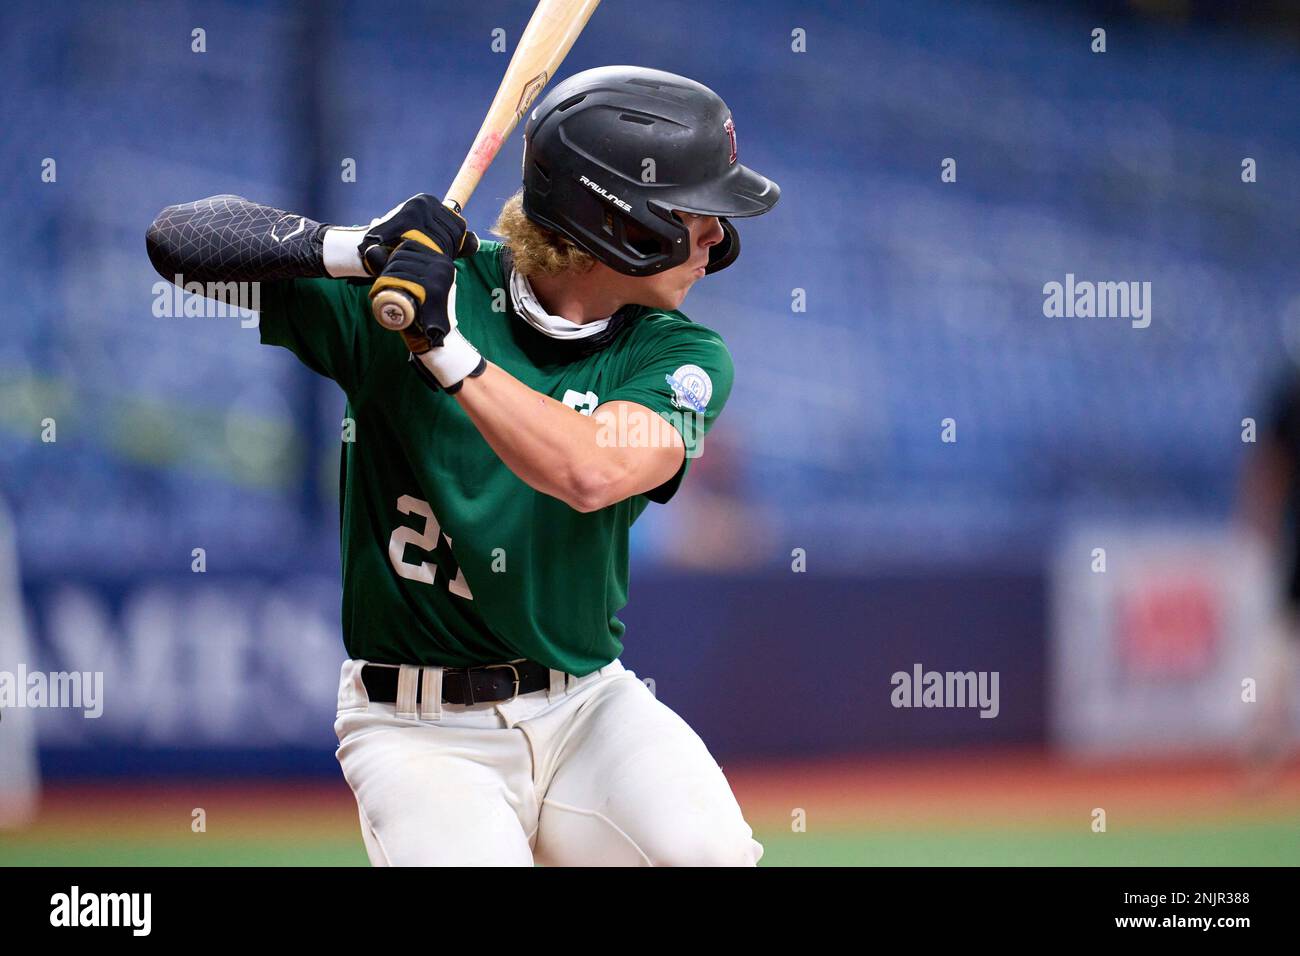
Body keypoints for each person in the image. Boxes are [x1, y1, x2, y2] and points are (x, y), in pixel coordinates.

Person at [146, 65, 780, 865]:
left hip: (586, 707)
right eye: (696, 213)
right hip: (417, 731)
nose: (717, 238)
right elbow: (176, 241)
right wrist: (351, 250)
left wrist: (443, 348)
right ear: (624, 220)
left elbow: (589, 471)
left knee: (712, 856)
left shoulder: (679, 351)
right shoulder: (416, 291)